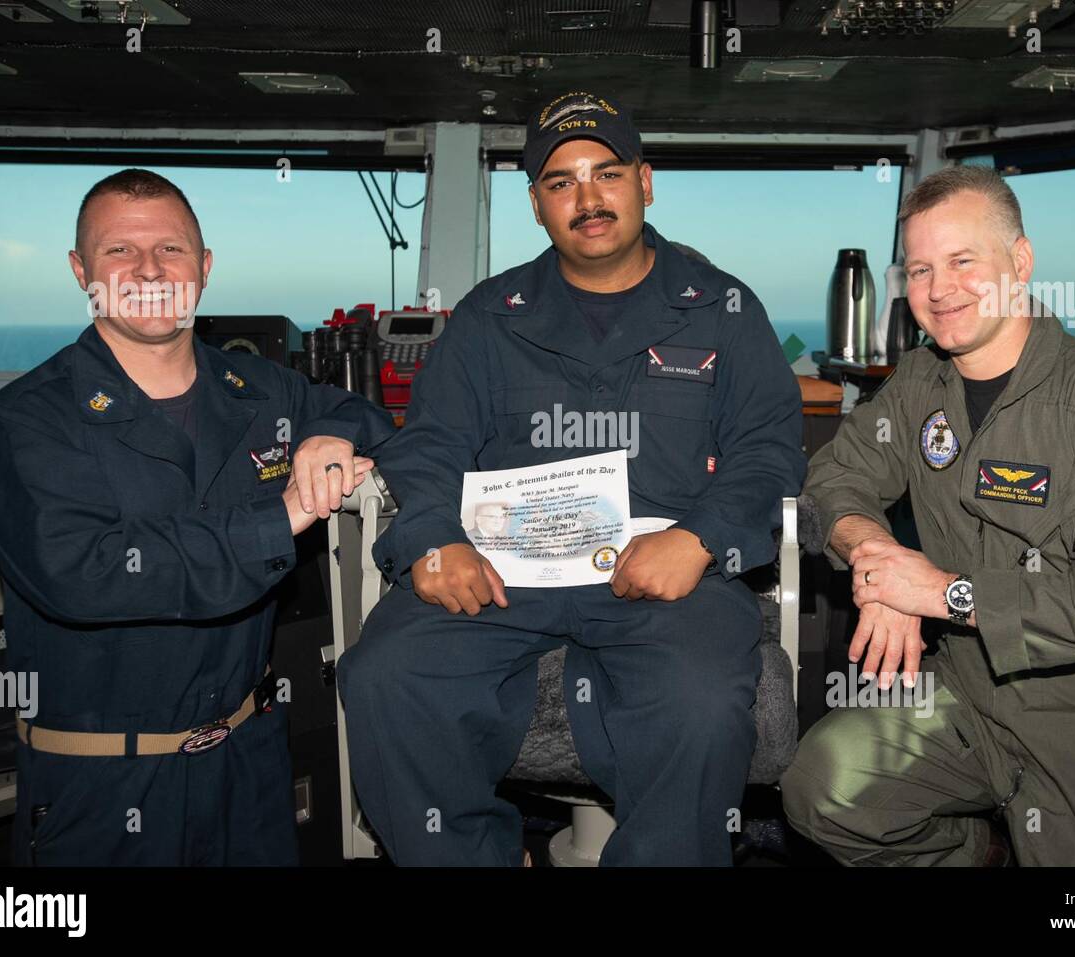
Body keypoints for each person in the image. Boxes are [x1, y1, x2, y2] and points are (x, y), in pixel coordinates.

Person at [338, 90, 806, 866]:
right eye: (561, 182)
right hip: (503, 570)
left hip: (661, 568)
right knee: (387, 673)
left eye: (607, 173)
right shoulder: (490, 316)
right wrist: (430, 541)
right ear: (535, 204)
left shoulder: (722, 309)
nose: (587, 199)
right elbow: (427, 447)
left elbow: (768, 450)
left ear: (645, 182)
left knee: (698, 698)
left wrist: (699, 538)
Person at [0, 169, 396, 865]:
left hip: (249, 762)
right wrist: (275, 516)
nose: (148, 269)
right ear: (80, 271)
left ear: (204, 267)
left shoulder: (259, 389)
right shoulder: (21, 424)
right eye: (118, 252)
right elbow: (86, 573)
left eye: (171, 249)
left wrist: (331, 435)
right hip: (103, 784)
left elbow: (382, 429)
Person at [780, 165, 1075, 865]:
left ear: (1021, 260)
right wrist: (877, 557)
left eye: (962, 261)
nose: (939, 289)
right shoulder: (921, 381)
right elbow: (833, 478)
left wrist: (940, 592)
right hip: (970, 693)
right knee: (823, 788)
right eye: (919, 270)